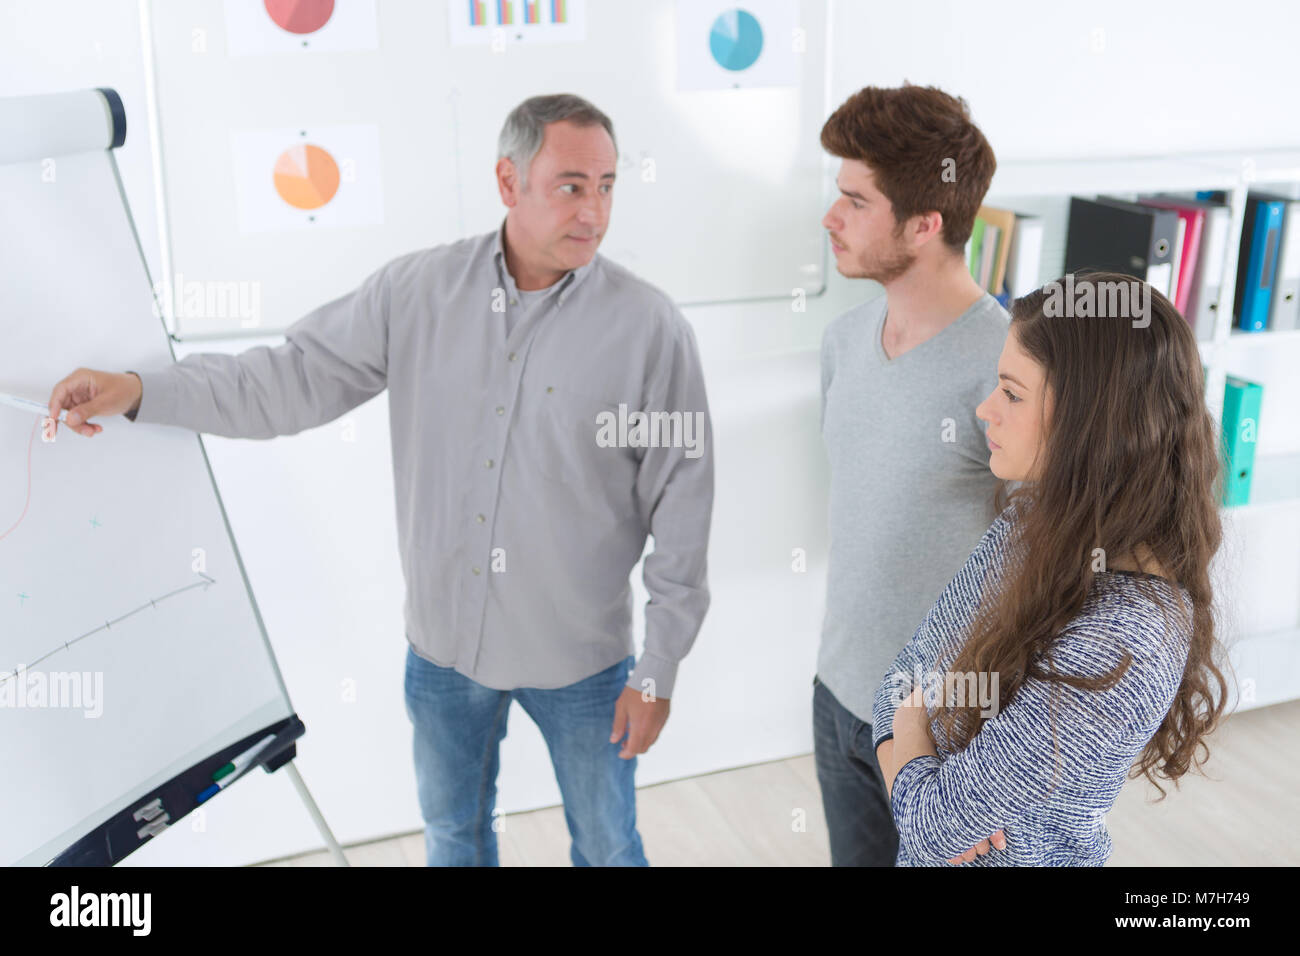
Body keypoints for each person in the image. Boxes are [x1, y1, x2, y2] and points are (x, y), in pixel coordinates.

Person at [45, 93, 714, 867]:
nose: (593, 210)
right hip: (442, 656)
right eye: (571, 185)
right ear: (508, 181)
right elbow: (284, 381)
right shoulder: (418, 293)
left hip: (583, 663)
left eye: (606, 186)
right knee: (454, 838)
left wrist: (659, 668)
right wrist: (139, 390)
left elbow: (685, 504)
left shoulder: (649, 327)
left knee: (608, 845)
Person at [873, 272, 1228, 866]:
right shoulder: (1032, 521)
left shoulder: (1129, 638)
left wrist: (917, 750)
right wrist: (922, 776)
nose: (986, 409)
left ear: (1094, 423)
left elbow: (934, 829)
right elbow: (897, 683)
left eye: (1012, 393)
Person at [814, 84, 1008, 866]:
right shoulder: (844, 339)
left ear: (924, 225)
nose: (831, 217)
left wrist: (1000, 766)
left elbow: (1059, 575)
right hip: (837, 696)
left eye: (855, 202)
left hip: (952, 727)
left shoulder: (1009, 368)